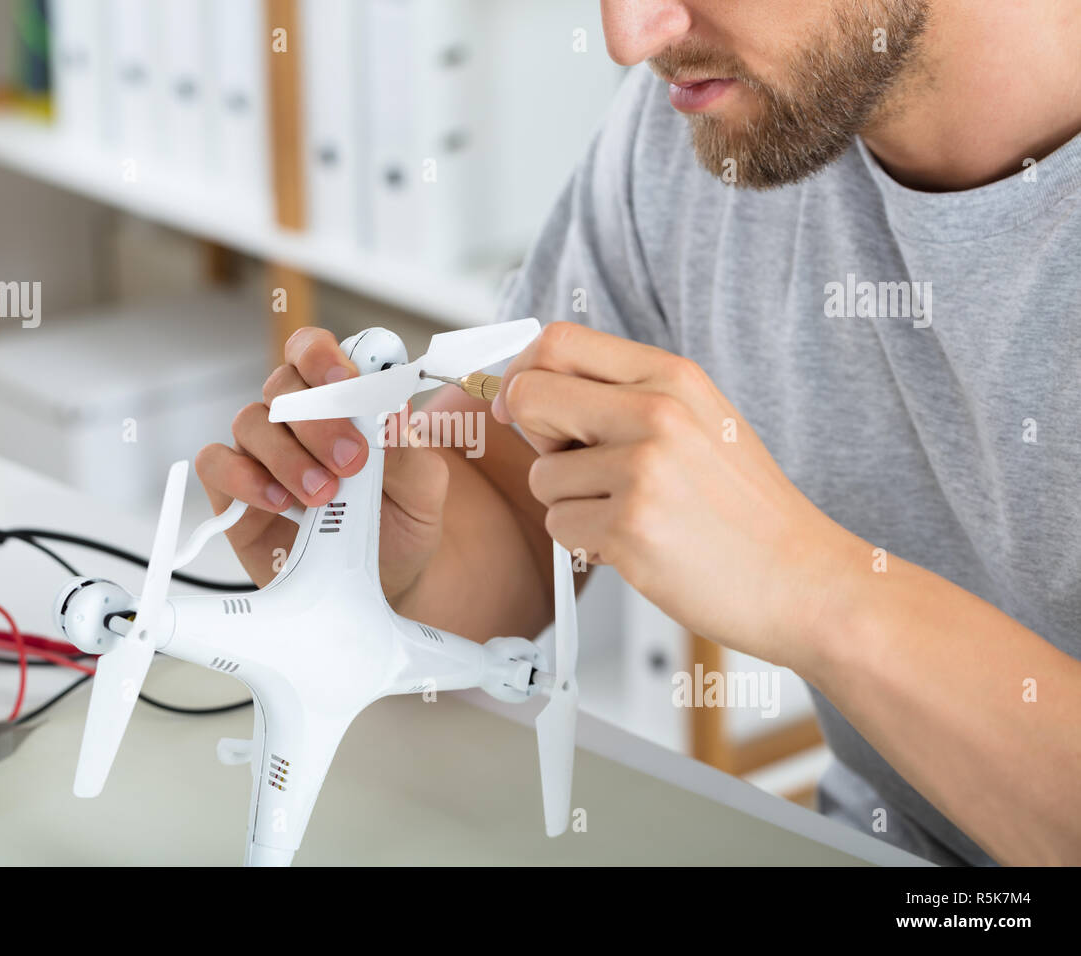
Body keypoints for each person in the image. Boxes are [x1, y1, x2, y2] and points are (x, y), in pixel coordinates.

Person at [196, 0, 1081, 866]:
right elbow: (514, 496)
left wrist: (814, 592)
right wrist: (384, 565)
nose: (631, 37)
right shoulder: (712, 113)